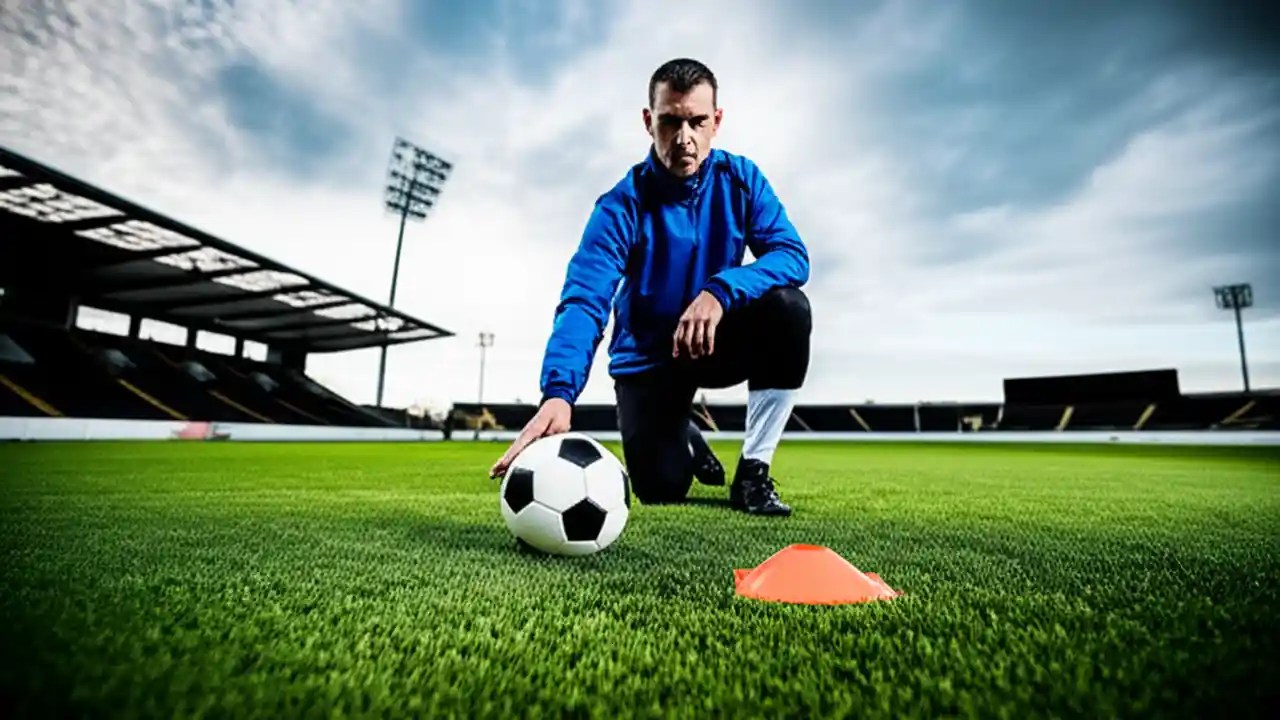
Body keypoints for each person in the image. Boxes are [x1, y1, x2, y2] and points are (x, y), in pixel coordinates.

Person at [489, 58, 812, 516]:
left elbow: (792, 256)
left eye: (698, 121)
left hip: (711, 341)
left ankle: (753, 474)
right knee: (661, 489)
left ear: (716, 122)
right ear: (649, 121)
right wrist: (559, 393)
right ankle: (683, 434)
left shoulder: (741, 180)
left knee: (789, 309)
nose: (685, 138)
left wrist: (720, 291)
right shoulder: (622, 205)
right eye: (670, 121)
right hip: (650, 361)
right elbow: (584, 300)